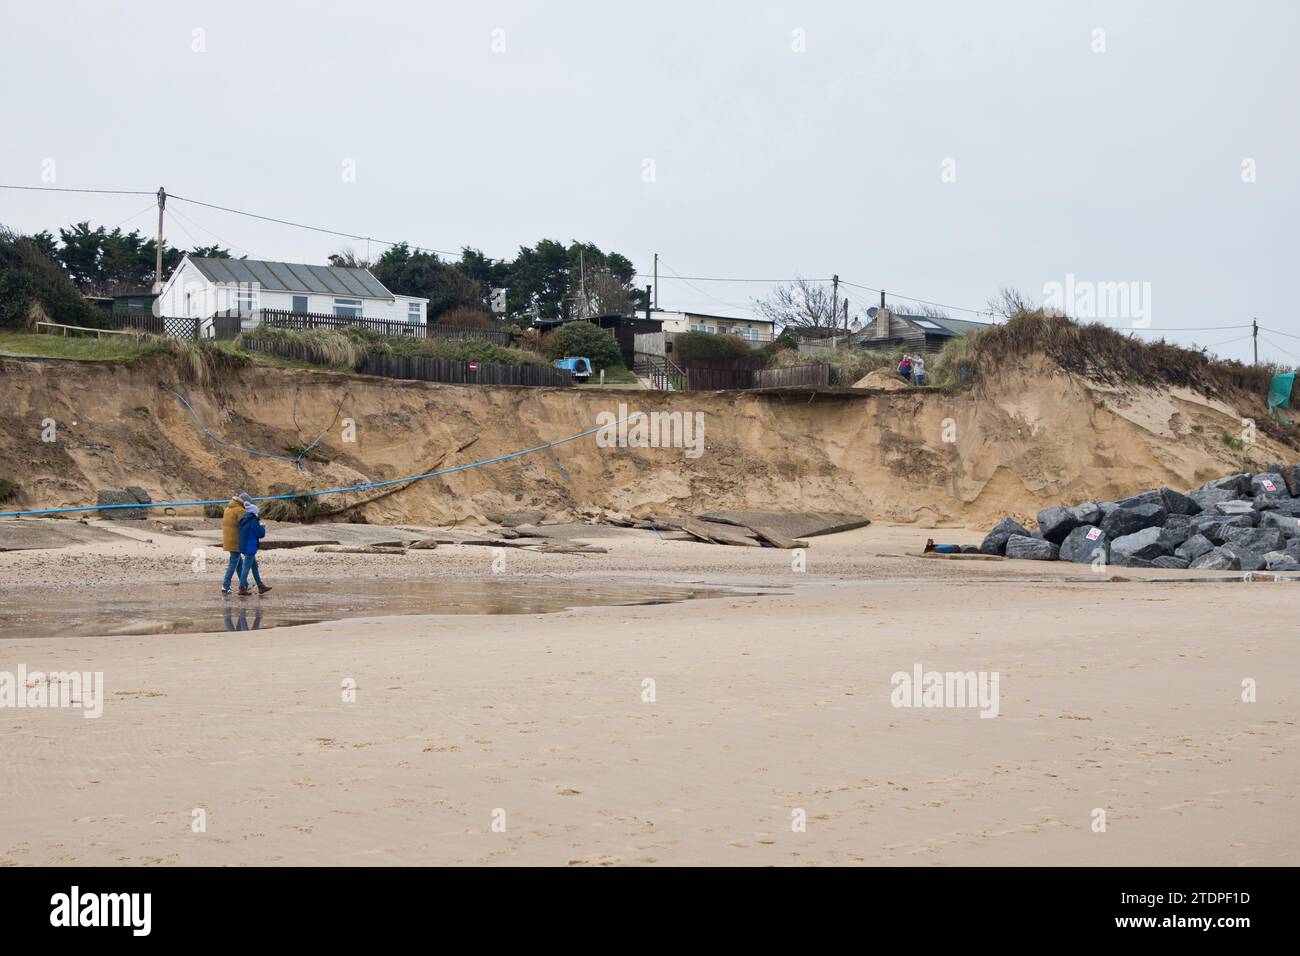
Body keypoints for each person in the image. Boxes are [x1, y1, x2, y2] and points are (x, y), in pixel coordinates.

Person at [237, 501, 271, 596]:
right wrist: (263, 527)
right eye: (257, 512)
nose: (258, 513)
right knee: (246, 567)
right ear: (253, 512)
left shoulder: (243, 519)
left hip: (243, 545)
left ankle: (260, 586)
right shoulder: (253, 521)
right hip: (250, 546)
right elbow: (261, 534)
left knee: (254, 566)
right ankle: (242, 588)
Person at [220, 495, 245, 595]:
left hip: (228, 539)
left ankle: (244, 584)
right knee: (234, 562)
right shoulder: (239, 510)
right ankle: (225, 586)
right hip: (236, 540)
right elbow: (244, 524)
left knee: (239, 563)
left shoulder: (227, 509)